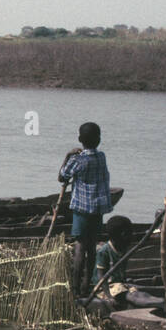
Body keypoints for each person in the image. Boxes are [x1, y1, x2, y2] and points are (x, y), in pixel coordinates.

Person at [58, 121, 111, 299]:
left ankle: (75, 289)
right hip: (97, 209)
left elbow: (61, 176)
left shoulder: (78, 160)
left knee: (80, 247)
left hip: (82, 209)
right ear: (99, 140)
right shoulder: (101, 157)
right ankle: (86, 286)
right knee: (91, 248)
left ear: (80, 139)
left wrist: (67, 155)